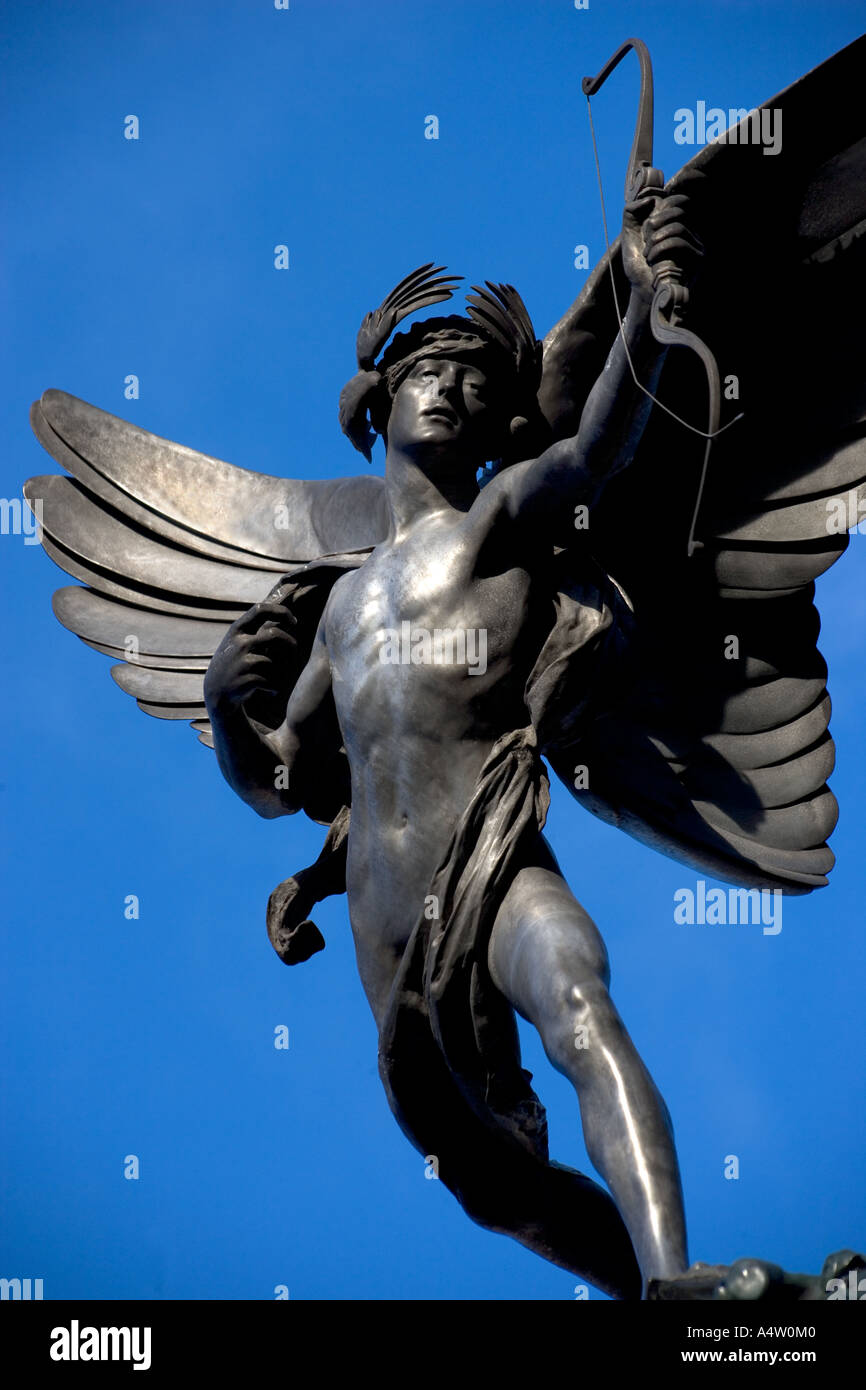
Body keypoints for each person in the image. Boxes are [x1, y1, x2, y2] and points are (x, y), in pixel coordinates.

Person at [204, 185, 703, 1299]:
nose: (450, 385)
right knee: (491, 1185)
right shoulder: (338, 611)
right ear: (375, 404)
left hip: (490, 843)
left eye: (477, 377)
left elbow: (593, 453)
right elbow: (280, 781)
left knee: (580, 1005)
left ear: (495, 420)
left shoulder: (500, 526)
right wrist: (222, 716)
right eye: (428, 368)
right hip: (385, 901)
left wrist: (645, 310)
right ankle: (643, 1295)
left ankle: (679, 1279)